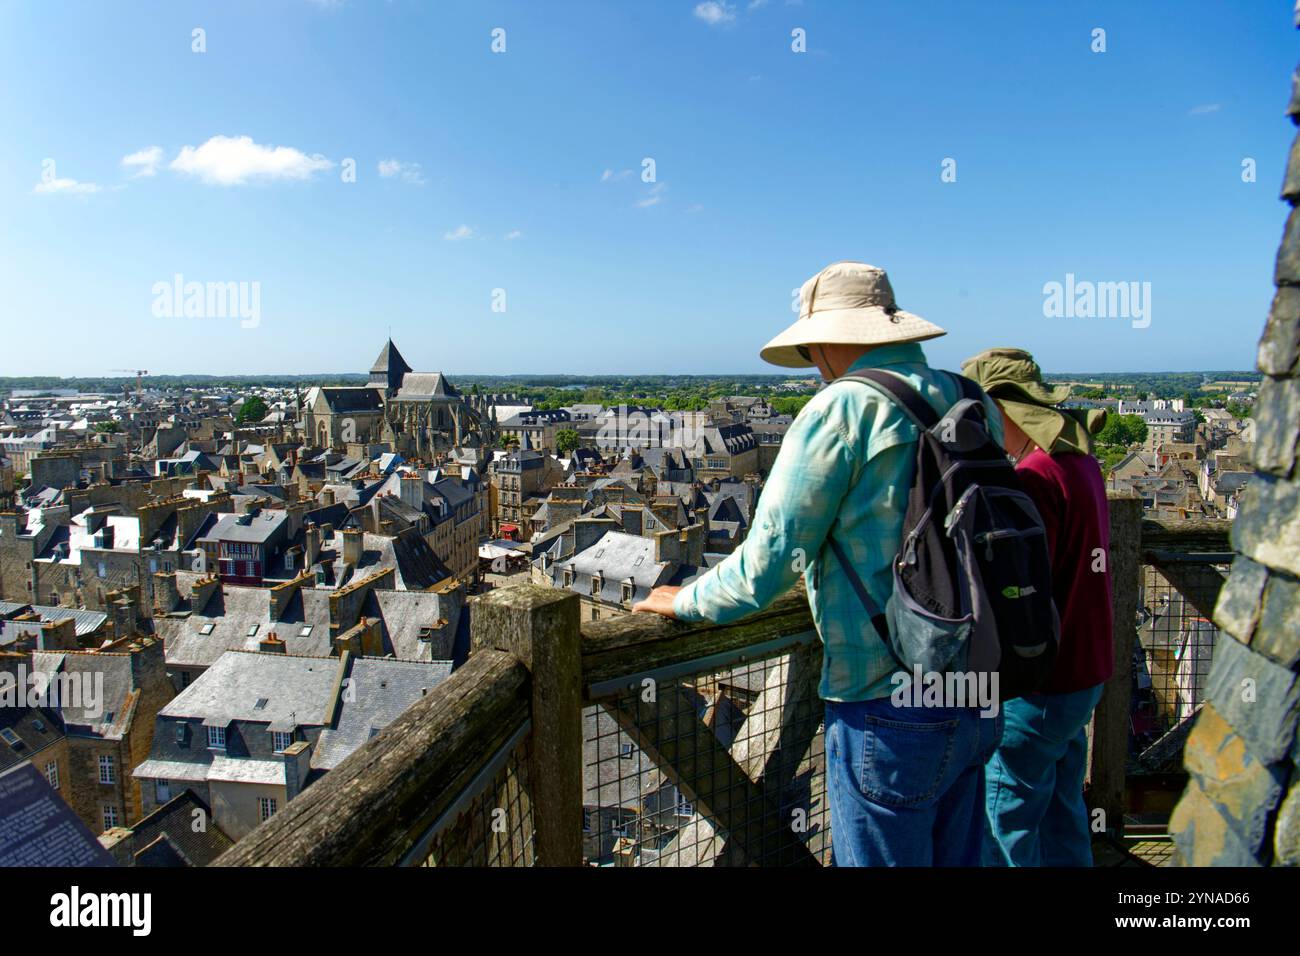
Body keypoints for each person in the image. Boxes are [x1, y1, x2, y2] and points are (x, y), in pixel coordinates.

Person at [634, 261, 1004, 866]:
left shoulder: (842, 410)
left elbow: (768, 564)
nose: (812, 363)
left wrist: (687, 597)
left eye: (811, 347)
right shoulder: (970, 398)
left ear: (832, 338)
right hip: (977, 687)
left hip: (885, 699)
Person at [960, 348, 1113, 867]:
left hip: (1042, 683)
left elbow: (1018, 590)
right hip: (1086, 671)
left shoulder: (1033, 477)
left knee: (1008, 821)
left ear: (1004, 409)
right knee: (1062, 809)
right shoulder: (1080, 460)